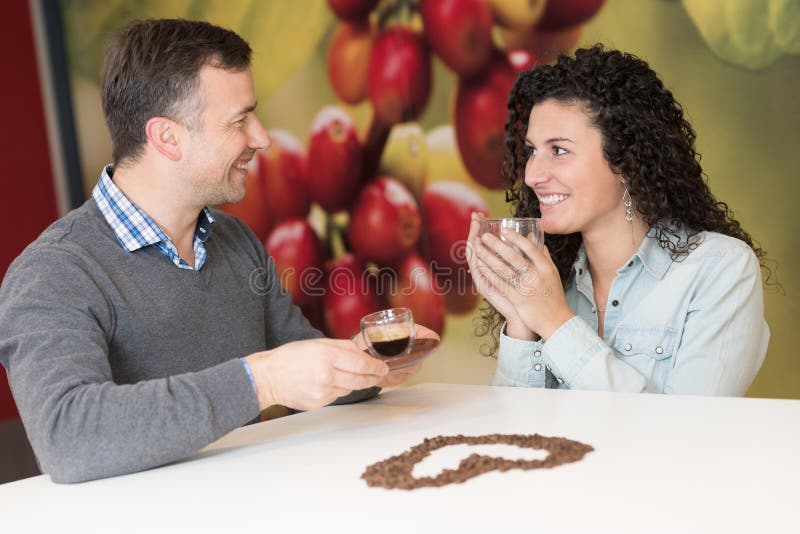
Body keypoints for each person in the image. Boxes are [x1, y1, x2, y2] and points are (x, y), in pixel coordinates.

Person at [0, 19, 432, 484]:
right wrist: (261, 380)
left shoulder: (234, 241)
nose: (262, 137)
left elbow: (298, 363)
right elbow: (69, 437)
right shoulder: (52, 273)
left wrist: (368, 364)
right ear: (167, 138)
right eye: (239, 120)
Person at [467, 44, 770, 395]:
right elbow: (517, 437)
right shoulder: (551, 281)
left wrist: (553, 319)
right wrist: (521, 318)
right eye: (532, 150)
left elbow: (686, 434)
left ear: (625, 162)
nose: (532, 174)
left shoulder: (720, 270)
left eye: (559, 150)